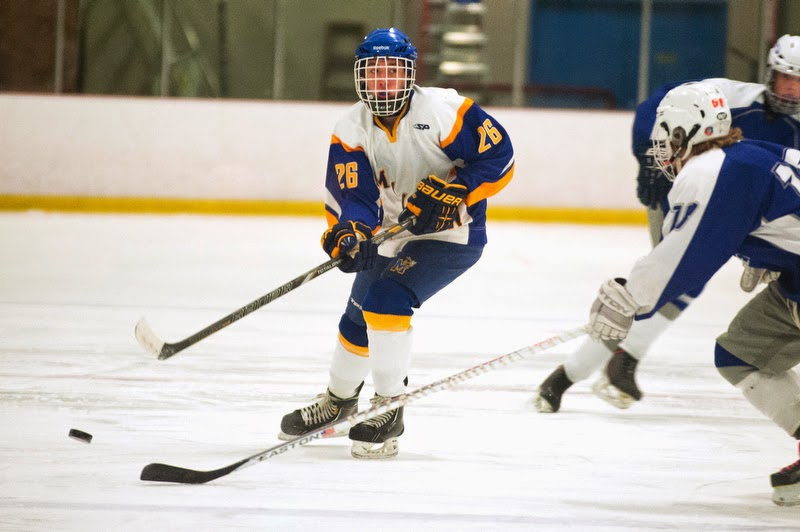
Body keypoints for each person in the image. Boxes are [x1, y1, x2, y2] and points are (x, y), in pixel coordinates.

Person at [278, 28, 515, 459]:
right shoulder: (351, 127)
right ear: (359, 78)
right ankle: (339, 401)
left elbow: (501, 158)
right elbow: (353, 195)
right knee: (357, 315)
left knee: (385, 300)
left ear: (409, 74)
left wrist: (459, 189)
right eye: (373, 73)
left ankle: (390, 409)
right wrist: (352, 233)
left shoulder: (444, 110)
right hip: (391, 230)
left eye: (392, 71)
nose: (382, 82)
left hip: (451, 235)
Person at [535, 34, 800, 414]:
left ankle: (597, 367)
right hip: (689, 185)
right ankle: (591, 368)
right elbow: (660, 107)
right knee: (669, 278)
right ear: (770, 73)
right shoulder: (730, 96)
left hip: (749, 215)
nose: (791, 89)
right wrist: (648, 157)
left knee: (668, 282)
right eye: (785, 77)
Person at [583, 81, 800, 505]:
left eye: (664, 136)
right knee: (740, 354)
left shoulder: (708, 171)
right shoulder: (751, 152)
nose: (660, 147)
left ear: (685, 133)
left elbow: (682, 257)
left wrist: (631, 299)